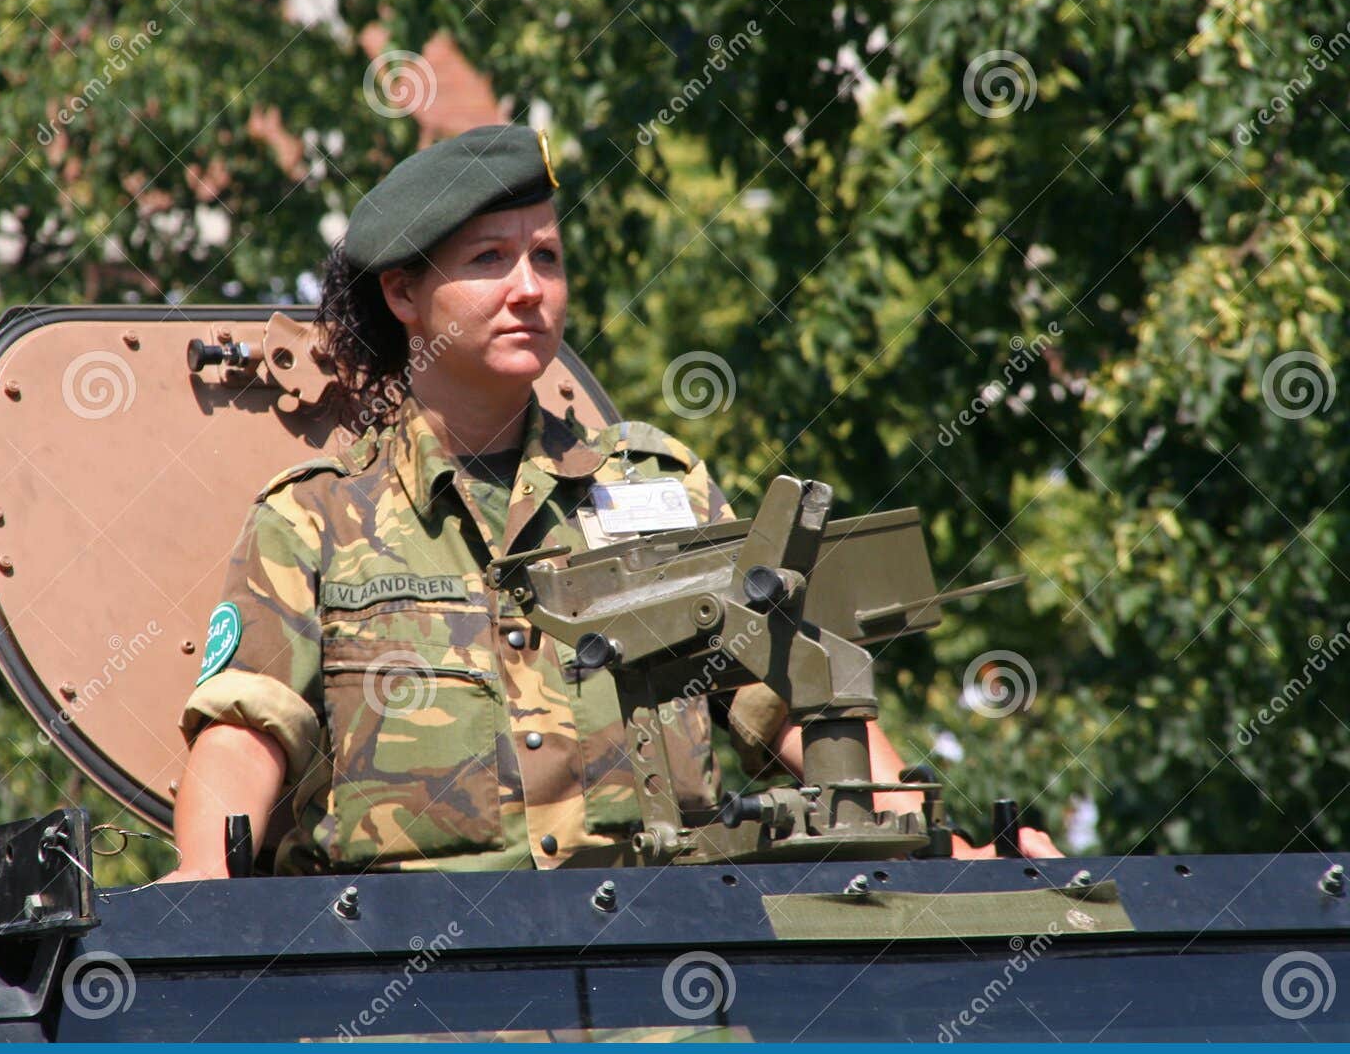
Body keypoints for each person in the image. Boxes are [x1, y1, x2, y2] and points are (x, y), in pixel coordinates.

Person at [160, 124, 1056, 881]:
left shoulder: (658, 488)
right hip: (423, 1004)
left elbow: (789, 692)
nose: (530, 288)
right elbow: (245, 731)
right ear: (402, 293)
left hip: (660, 983)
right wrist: (202, 893)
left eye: (546, 256)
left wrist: (957, 852)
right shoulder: (317, 521)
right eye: (489, 259)